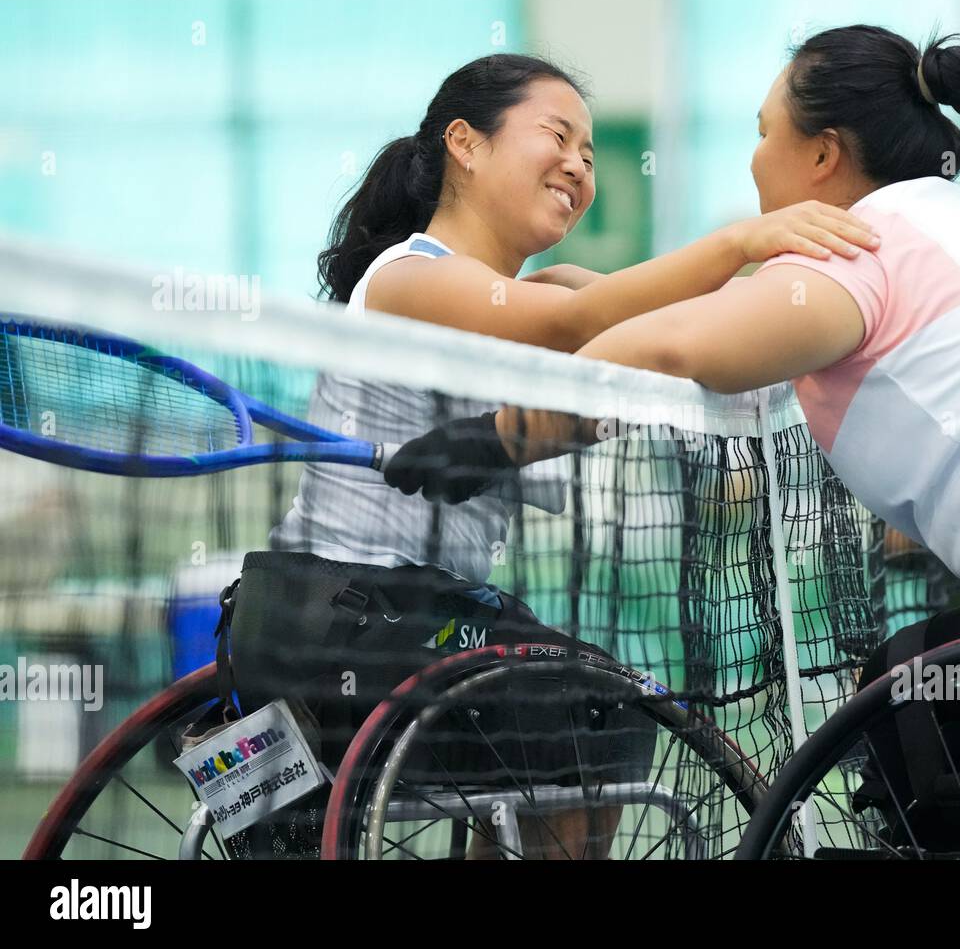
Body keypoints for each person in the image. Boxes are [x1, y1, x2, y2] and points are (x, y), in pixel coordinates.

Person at [382, 27, 960, 831]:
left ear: (822, 157)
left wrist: (493, 440)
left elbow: (662, 352)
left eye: (762, 134)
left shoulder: (854, 252)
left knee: (905, 699)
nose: (751, 161)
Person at [225, 52, 879, 859]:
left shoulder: (542, 295)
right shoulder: (408, 278)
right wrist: (742, 237)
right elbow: (577, 325)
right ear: (464, 144)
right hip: (337, 625)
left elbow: (628, 332)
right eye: (558, 137)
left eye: (592, 154)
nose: (578, 165)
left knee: (586, 717)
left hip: (413, 616)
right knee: (593, 713)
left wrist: (782, 283)